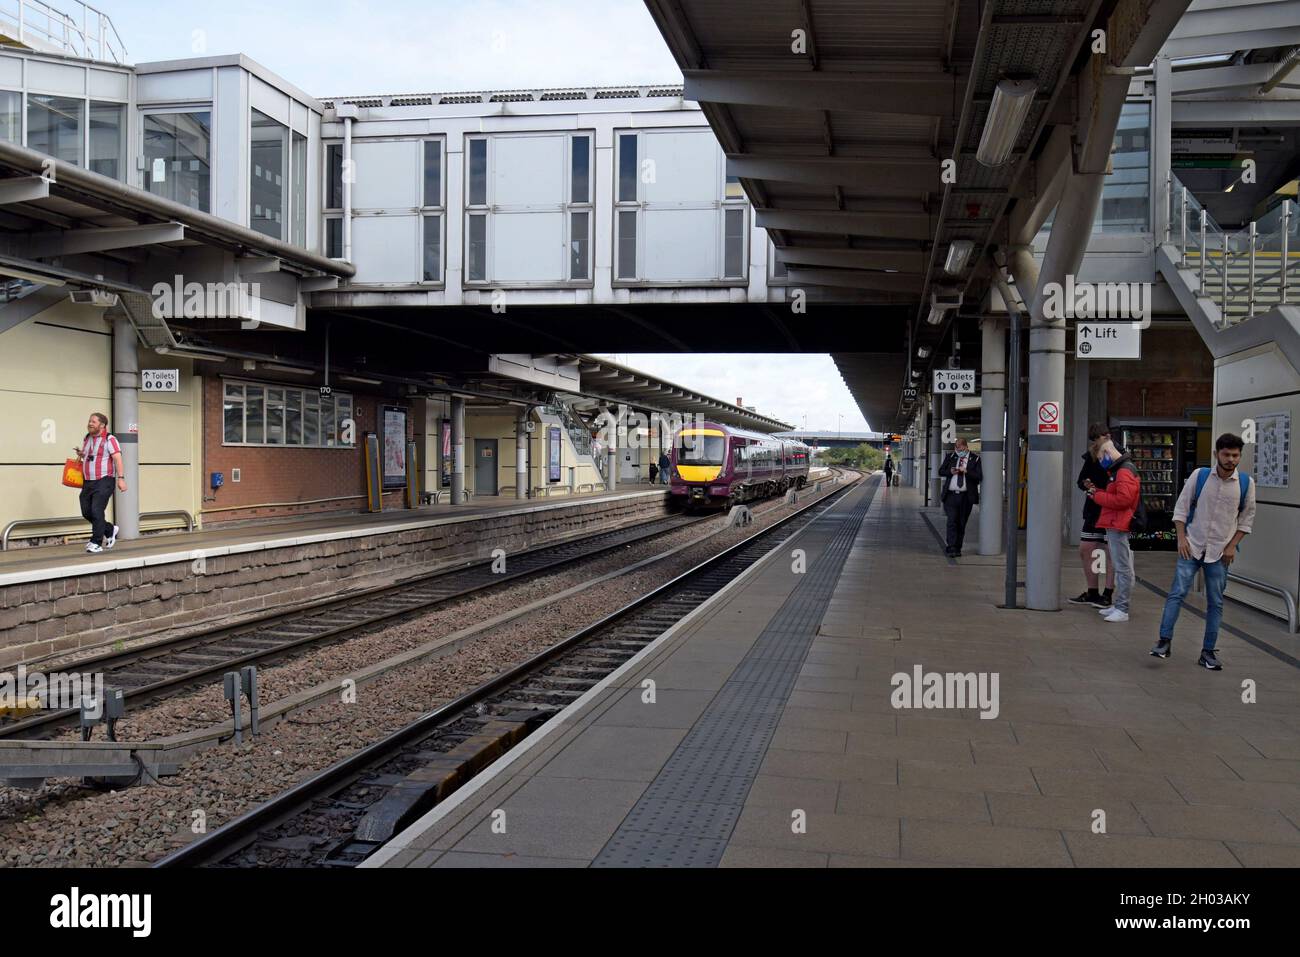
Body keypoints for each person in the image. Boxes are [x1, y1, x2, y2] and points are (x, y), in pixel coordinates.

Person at [1150, 433, 1255, 670]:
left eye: (1235, 455)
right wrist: (1181, 538)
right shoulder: (1201, 476)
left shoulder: (1246, 484)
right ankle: (1164, 642)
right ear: (1217, 454)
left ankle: (1207, 652)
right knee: (1176, 593)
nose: (1230, 459)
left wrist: (1231, 546)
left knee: (1215, 603)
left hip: (1220, 552)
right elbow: (1181, 508)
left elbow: (1247, 521)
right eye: (1226, 454)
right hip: (1192, 545)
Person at [1086, 438, 1139, 623]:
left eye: (1101, 457)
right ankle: (1118, 605)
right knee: (1119, 565)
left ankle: (1122, 608)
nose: (1101, 461)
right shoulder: (1120, 470)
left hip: (1119, 523)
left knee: (1123, 567)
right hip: (1116, 522)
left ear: (1108, 453)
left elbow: (1123, 500)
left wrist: (1098, 496)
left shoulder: (1123, 471)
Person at [1070, 424, 1117, 608]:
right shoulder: (1091, 456)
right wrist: (1086, 483)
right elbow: (1081, 479)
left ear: (1107, 436)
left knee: (1111, 551)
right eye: (1095, 441)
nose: (1098, 444)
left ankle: (1108, 593)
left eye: (1100, 439)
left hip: (1112, 508)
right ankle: (1092, 591)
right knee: (1087, 547)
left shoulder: (1118, 455)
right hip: (1094, 508)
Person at [74, 412, 125, 554]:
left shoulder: (110, 439)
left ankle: (96, 542)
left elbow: (118, 459)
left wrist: (121, 478)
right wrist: (81, 454)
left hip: (104, 480)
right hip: (88, 480)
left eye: (94, 422)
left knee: (97, 510)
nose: (90, 423)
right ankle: (109, 529)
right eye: (89, 421)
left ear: (102, 425)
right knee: (86, 511)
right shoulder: (87, 437)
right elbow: (91, 455)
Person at [938, 438, 981, 557]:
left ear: (966, 447)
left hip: (966, 497)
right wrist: (950, 472)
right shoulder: (951, 457)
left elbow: (979, 476)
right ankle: (951, 547)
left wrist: (967, 471)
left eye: (960, 447)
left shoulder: (975, 459)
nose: (958, 450)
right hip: (951, 496)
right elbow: (941, 471)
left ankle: (957, 547)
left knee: (961, 523)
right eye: (956, 447)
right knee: (951, 521)